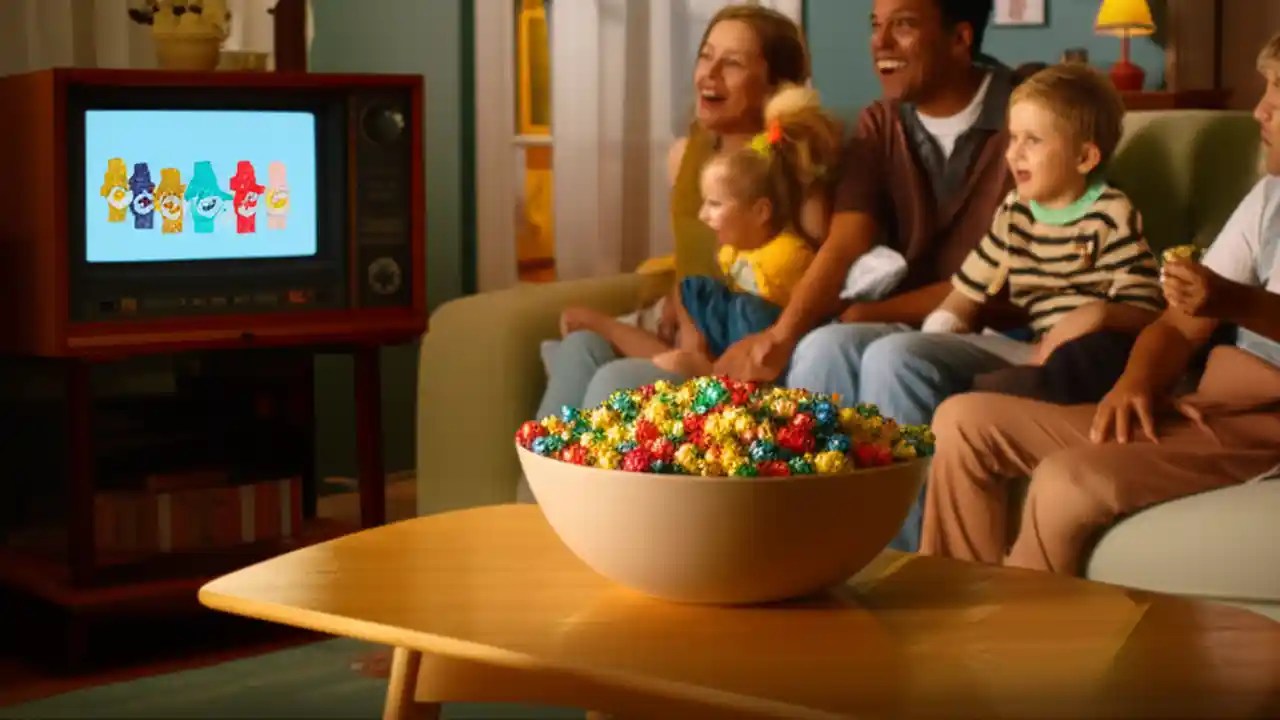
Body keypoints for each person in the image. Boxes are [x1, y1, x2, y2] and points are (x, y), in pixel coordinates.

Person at [919, 33, 1280, 576]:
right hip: (1208, 405)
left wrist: (1233, 301)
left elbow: (1223, 303)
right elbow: (1179, 328)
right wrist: (1136, 384)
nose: (1261, 108)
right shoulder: (1268, 198)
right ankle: (948, 611)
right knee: (961, 422)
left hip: (1263, 426)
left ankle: (1007, 646)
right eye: (1267, 87)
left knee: (1068, 482)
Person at [711, 0, 1019, 552]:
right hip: (914, 322)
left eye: (902, 25)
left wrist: (872, 313)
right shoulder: (883, 124)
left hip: (1001, 328)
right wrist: (780, 337)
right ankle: (804, 552)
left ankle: (901, 566)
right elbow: (845, 239)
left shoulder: (1024, 114)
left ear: (959, 37)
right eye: (875, 26)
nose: (881, 43)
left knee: (891, 358)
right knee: (822, 347)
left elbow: (1003, 278)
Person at [528, 5, 820, 496]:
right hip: (693, 336)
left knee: (617, 382)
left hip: (745, 355)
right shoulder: (687, 156)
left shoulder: (796, 169)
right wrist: (680, 311)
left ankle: (591, 514)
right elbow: (691, 260)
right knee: (580, 348)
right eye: (706, 56)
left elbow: (819, 276)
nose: (709, 73)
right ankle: (537, 505)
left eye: (732, 62)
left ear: (775, 87)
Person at [556, 85, 844, 379]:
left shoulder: (788, 256)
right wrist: (693, 332)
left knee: (748, 309)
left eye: (715, 204)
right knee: (693, 291)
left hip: (762, 353)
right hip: (716, 338)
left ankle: (704, 371)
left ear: (760, 212)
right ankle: (692, 361)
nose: (703, 215)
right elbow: (693, 291)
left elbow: (812, 312)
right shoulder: (731, 250)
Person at [919, 63, 1162, 377]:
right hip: (1034, 346)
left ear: (1085, 158)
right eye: (1013, 138)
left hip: (1085, 358)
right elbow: (966, 292)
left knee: (909, 357)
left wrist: (1090, 318)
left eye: (1032, 140)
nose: (1013, 154)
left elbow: (1143, 307)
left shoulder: (1112, 214)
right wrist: (934, 336)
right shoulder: (1014, 213)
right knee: (894, 350)